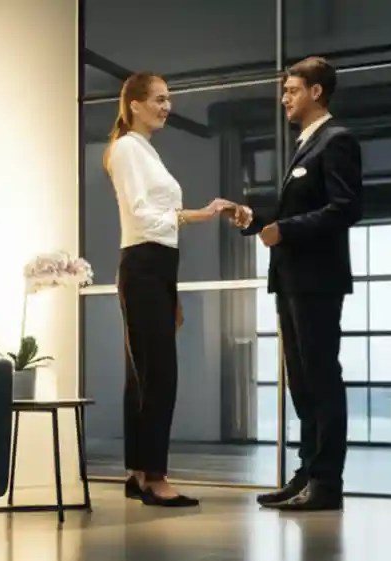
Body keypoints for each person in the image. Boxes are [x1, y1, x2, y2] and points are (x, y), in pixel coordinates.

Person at [232, 56, 363, 511]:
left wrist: (285, 230)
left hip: (317, 282)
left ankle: (327, 483)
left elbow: (344, 209)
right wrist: (256, 220)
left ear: (316, 92)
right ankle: (308, 473)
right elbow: (294, 215)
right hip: (291, 281)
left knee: (322, 378)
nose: (284, 98)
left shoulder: (336, 141)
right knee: (303, 383)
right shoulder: (307, 145)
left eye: (291, 90)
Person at [105, 72, 236, 508]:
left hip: (155, 266)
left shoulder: (144, 150)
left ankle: (139, 472)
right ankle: (155, 477)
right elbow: (144, 217)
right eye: (159, 99)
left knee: (143, 373)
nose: (166, 107)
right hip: (144, 262)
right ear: (135, 103)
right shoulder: (126, 149)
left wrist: (171, 290)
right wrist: (194, 216)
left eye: (168, 100)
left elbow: (155, 223)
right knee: (158, 373)